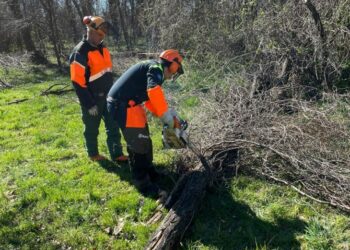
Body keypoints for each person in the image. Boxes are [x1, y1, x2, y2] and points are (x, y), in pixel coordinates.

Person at [107, 49, 184, 197]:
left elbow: (149, 99)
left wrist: (163, 116)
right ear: (173, 64)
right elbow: (153, 92)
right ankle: (142, 182)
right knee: (138, 145)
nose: (174, 74)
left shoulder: (154, 69)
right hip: (122, 106)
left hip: (132, 105)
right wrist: (167, 118)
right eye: (176, 70)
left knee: (145, 141)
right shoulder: (156, 69)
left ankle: (151, 172)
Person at [69, 16, 127, 162]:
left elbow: (107, 72)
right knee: (91, 130)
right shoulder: (80, 52)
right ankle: (93, 154)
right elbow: (77, 81)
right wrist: (89, 104)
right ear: (90, 30)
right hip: (92, 99)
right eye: (99, 34)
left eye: (103, 35)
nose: (101, 38)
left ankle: (117, 154)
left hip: (108, 96)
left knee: (113, 127)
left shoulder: (103, 48)